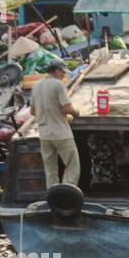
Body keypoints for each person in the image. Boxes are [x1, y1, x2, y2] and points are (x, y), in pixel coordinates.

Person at [31, 59, 80, 187]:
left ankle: (53, 196)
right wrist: (76, 112)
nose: (63, 76)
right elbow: (66, 108)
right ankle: (66, 193)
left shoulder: (36, 85)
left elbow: (32, 111)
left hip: (44, 134)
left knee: (50, 169)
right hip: (61, 133)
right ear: (57, 71)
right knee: (72, 165)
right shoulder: (58, 85)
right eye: (63, 73)